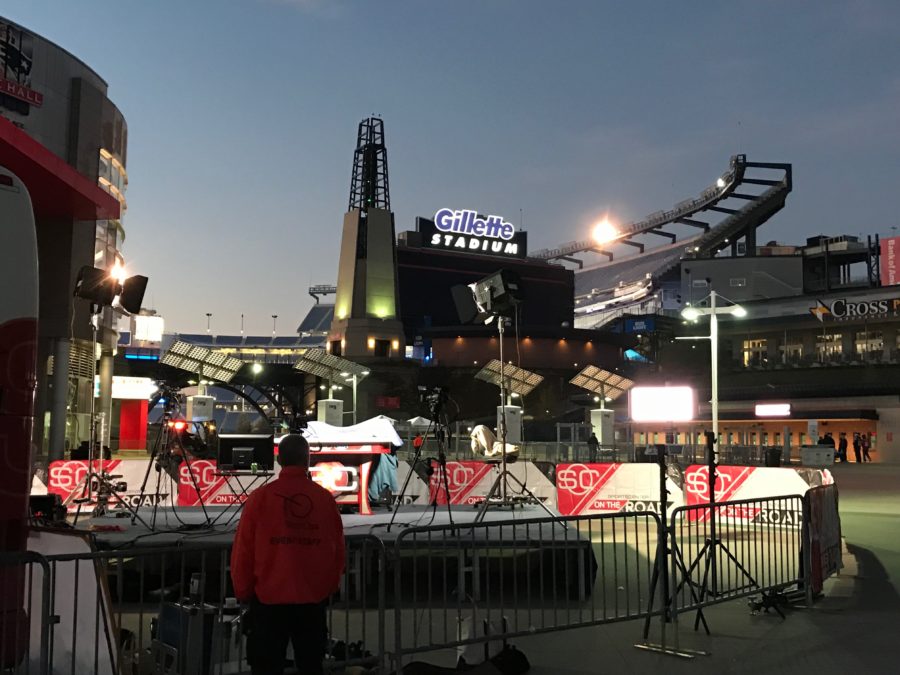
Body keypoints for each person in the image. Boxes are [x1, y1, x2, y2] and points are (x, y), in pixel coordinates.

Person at [231, 434, 345, 675]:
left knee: (266, 666)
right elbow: (336, 550)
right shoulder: (324, 499)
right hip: (312, 601)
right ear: (308, 459)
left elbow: (244, 550)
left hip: (268, 601)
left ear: (279, 459)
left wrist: (243, 591)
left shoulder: (260, 499)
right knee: (311, 665)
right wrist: (328, 587)